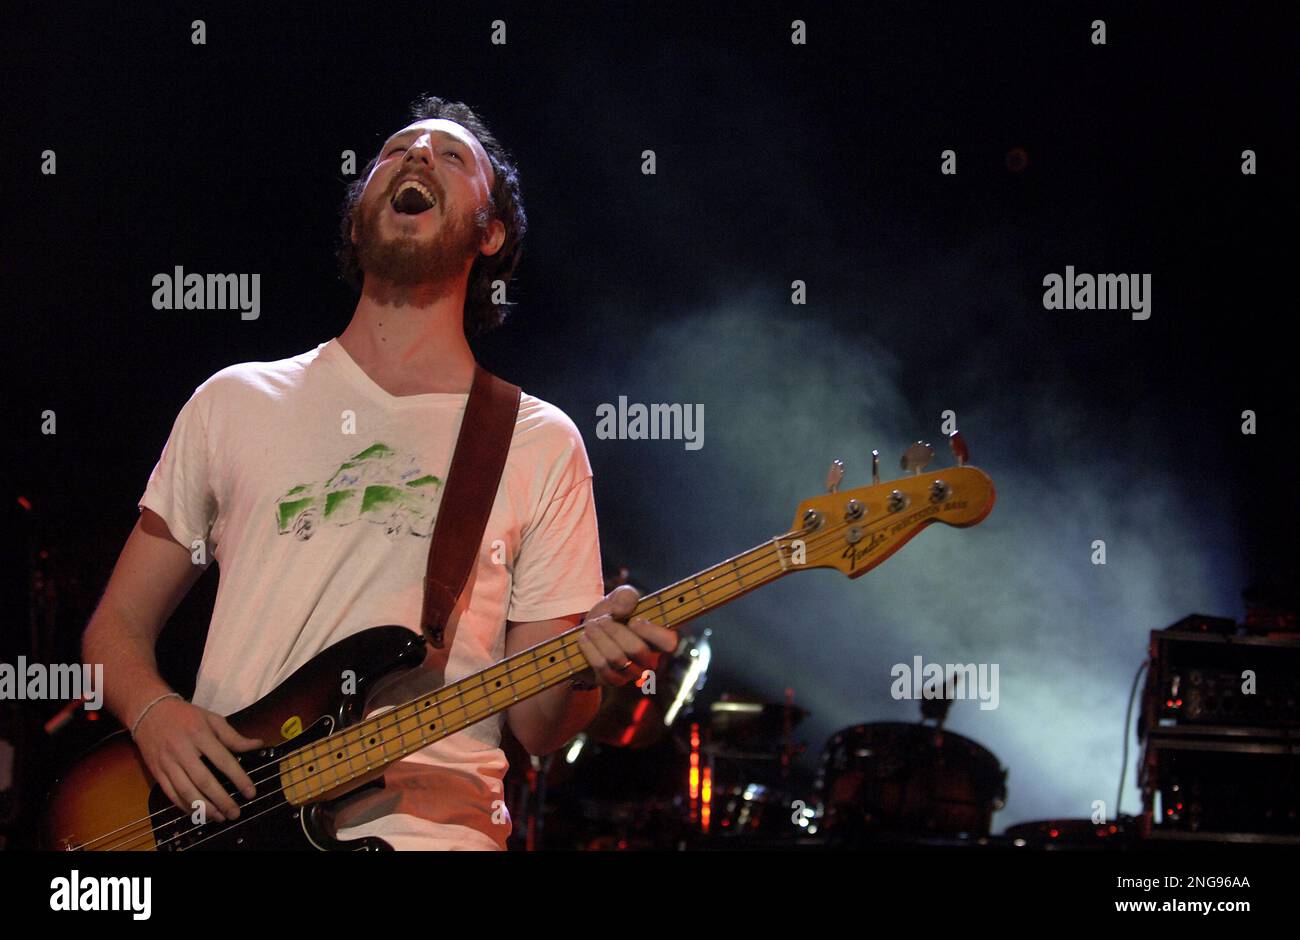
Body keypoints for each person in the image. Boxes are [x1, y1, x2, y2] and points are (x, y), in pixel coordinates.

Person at [81, 94, 676, 850]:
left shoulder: (536, 439)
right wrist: (155, 714)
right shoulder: (234, 400)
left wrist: (590, 670)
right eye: (396, 151)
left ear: (489, 234)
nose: (418, 156)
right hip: (222, 827)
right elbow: (116, 627)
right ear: (359, 215)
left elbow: (538, 724)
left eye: (451, 157)